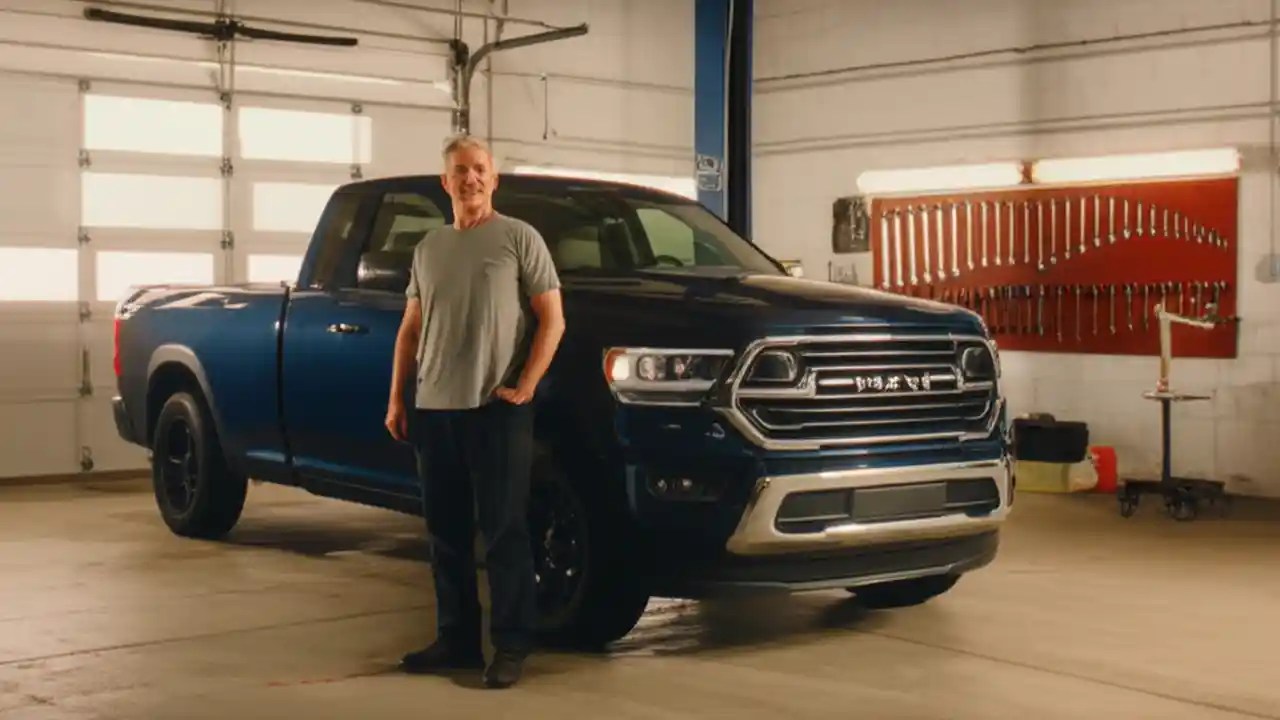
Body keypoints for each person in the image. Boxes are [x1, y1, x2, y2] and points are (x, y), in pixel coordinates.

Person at [384, 135, 565, 689]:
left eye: (480, 169)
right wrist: (397, 397)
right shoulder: (429, 247)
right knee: (445, 534)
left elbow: (552, 320)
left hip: (495, 409)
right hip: (434, 409)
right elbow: (411, 330)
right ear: (445, 182)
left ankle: (511, 645)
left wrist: (526, 386)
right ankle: (457, 639)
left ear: (495, 178)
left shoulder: (518, 239)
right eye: (460, 171)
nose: (471, 179)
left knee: (505, 531)